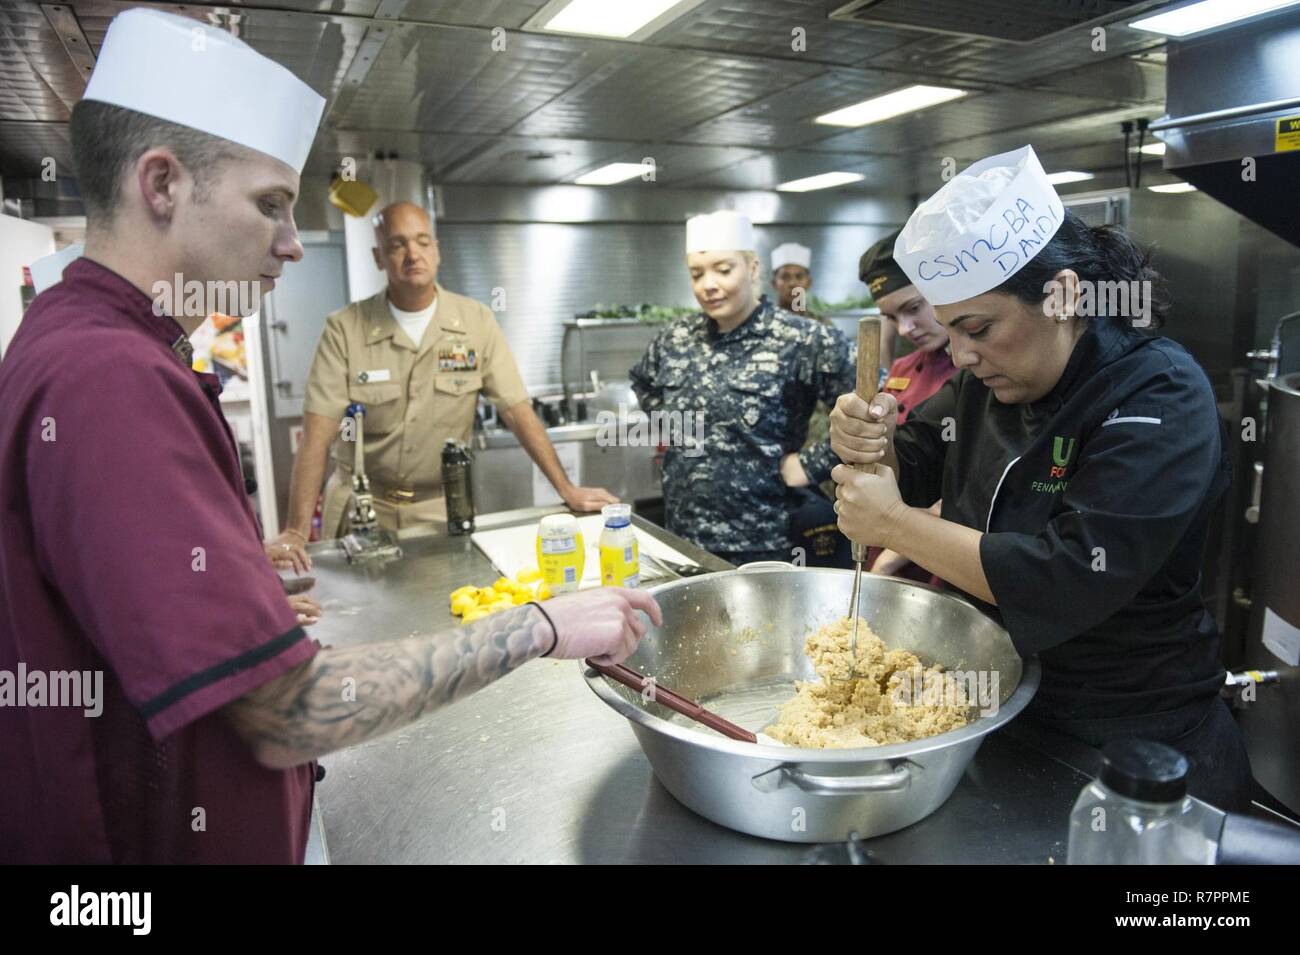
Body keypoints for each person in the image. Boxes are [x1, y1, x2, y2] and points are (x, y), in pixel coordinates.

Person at [0, 8, 655, 863]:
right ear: (162, 184)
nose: (290, 243)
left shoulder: (81, 337)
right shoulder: (109, 376)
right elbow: (291, 712)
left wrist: (244, 588)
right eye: (270, 204)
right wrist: (542, 625)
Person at [829, 145, 1252, 811]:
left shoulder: (1159, 394)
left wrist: (893, 524)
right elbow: (908, 457)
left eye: (978, 327)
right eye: (950, 330)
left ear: (1062, 294)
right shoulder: (983, 379)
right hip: (1000, 703)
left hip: (1136, 742)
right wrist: (865, 435)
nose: (960, 354)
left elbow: (1070, 574)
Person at [268, 200, 616, 567]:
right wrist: (295, 530)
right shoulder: (345, 329)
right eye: (397, 244)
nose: (412, 254)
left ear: (437, 251)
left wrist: (566, 489)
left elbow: (516, 411)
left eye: (422, 242)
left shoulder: (476, 322)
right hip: (363, 512)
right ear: (378, 257)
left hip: (440, 510)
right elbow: (316, 437)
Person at [629, 211, 853, 565]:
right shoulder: (674, 339)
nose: (708, 285)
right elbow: (643, 381)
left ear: (752, 269)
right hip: (684, 537)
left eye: (723, 269)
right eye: (697, 273)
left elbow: (872, 403)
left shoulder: (803, 338)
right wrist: (677, 428)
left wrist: (812, 465)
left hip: (768, 541)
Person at [856, 230, 957, 582]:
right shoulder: (901, 369)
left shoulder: (981, 375)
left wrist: (894, 552)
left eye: (913, 308)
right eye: (891, 317)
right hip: (880, 552)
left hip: (938, 561)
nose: (904, 328)